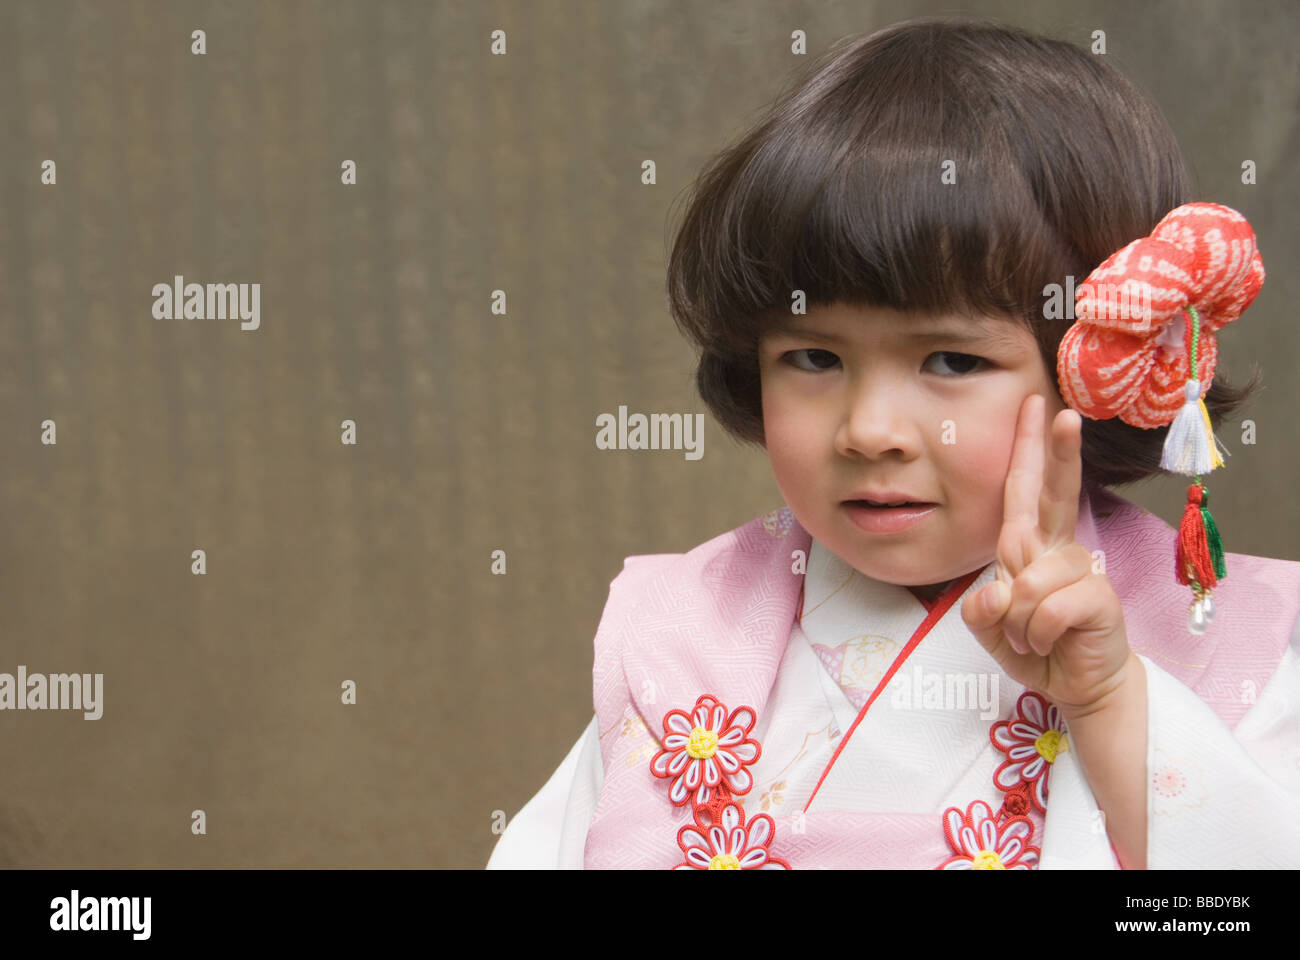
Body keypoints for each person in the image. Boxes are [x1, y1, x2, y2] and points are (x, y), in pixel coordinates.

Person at [486, 16, 1300, 869]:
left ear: (1088, 372)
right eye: (814, 358)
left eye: (953, 360)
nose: (870, 431)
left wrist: (1107, 703)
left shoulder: (1221, 647)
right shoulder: (683, 638)